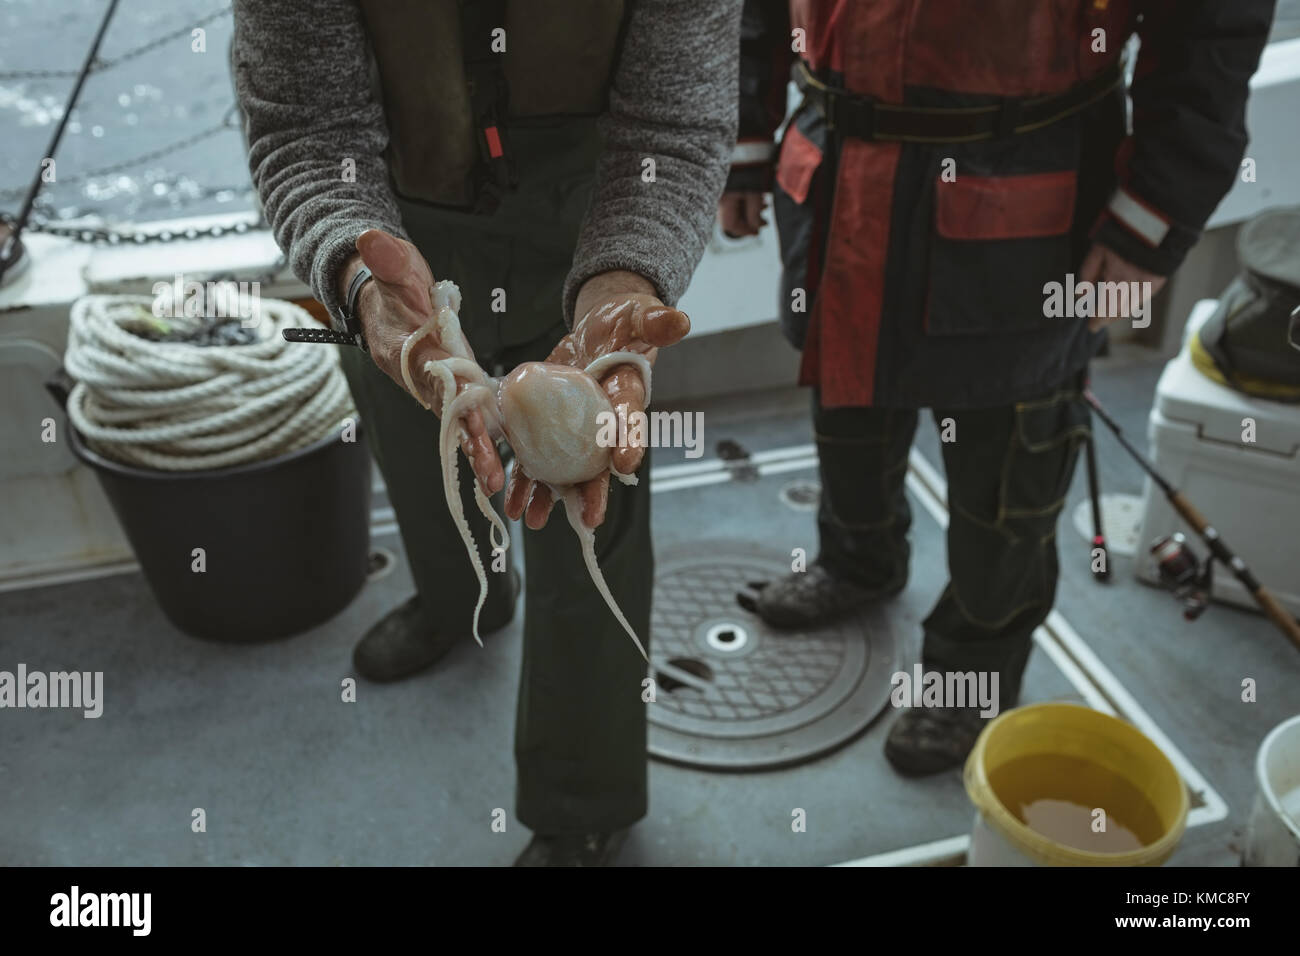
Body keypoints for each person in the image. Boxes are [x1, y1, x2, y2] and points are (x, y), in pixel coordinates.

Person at [232, 0, 742, 865]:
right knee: (411, 430)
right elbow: (308, 131)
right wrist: (360, 280)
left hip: (592, 225)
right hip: (396, 239)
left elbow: (670, 125)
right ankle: (458, 597)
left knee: (591, 507)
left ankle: (583, 797)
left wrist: (620, 286)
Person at [721, 0, 1274, 775]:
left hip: (1030, 186)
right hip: (839, 171)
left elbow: (1211, 29)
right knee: (849, 399)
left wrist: (1152, 218)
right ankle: (858, 562)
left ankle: (968, 675)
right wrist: (744, 140)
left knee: (1009, 459)